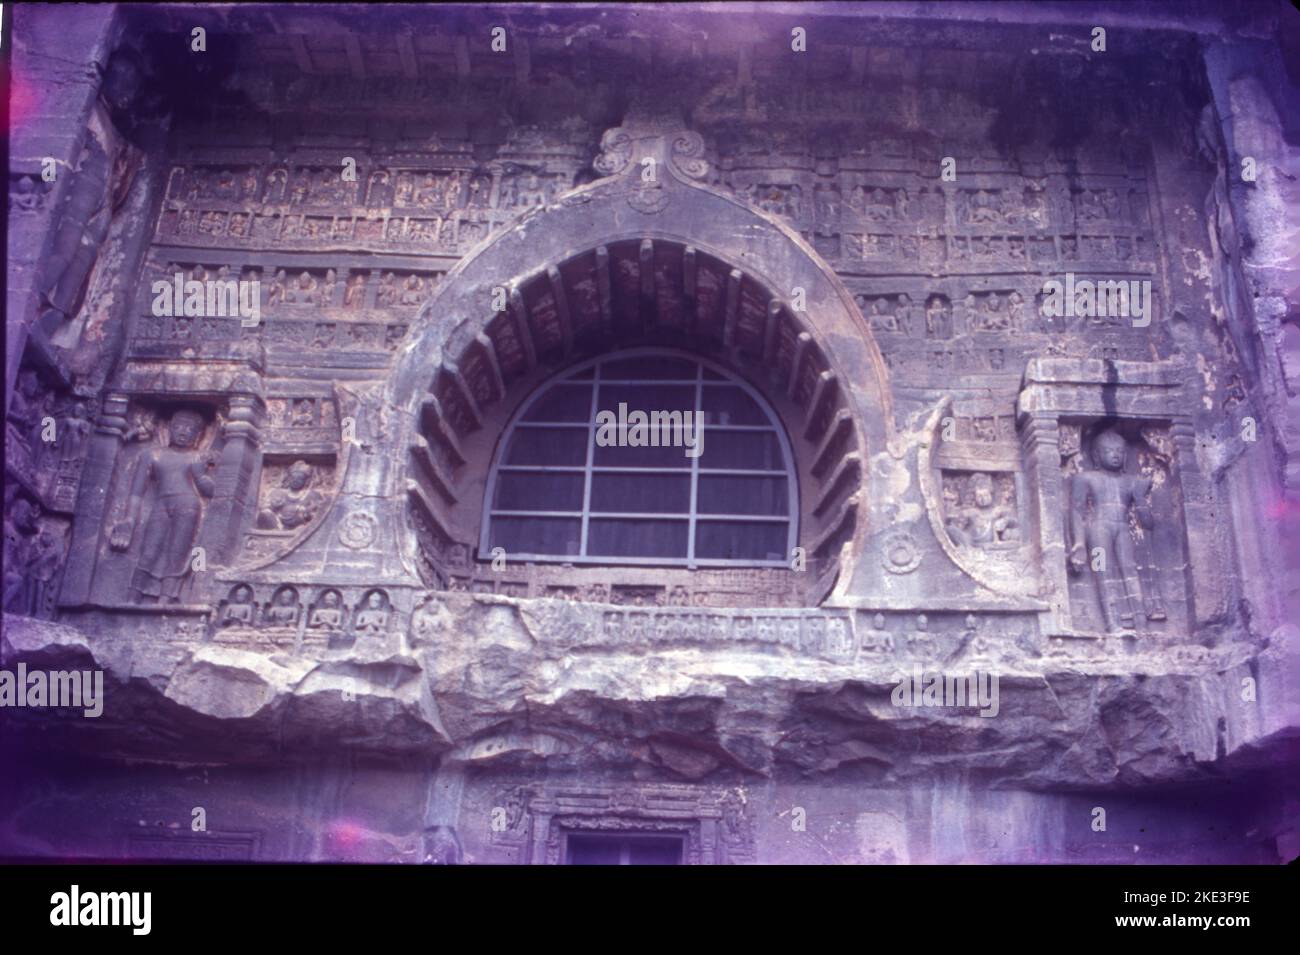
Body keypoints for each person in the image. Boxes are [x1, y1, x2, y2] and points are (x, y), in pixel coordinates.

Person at [109, 409, 215, 603]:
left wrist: (206, 474)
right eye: (179, 426)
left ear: (198, 435)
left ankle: (164, 602)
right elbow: (136, 493)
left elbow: (207, 490)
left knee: (177, 553)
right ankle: (132, 598)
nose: (184, 432)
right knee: (149, 551)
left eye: (190, 429)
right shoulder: (152, 454)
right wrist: (129, 520)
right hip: (161, 504)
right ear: (169, 428)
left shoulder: (196, 457)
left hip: (188, 505)